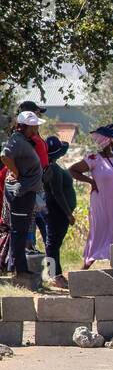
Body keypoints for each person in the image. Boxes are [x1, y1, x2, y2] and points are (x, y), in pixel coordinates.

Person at [67, 124, 113, 269]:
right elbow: (72, 170)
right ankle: (84, 268)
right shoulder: (95, 159)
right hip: (103, 204)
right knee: (100, 233)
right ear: (110, 143)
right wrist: (91, 181)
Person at [1, 111, 45, 288]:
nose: (37, 127)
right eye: (34, 125)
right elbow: (4, 156)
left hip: (27, 192)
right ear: (26, 126)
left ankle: (18, 266)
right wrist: (16, 172)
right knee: (19, 232)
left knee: (21, 230)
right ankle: (20, 269)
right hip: (21, 193)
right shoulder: (16, 140)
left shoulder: (24, 140)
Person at [39, 136, 76, 289]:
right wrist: (68, 213)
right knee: (52, 244)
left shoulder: (53, 166)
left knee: (54, 243)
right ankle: (55, 275)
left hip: (57, 212)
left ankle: (56, 274)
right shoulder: (53, 168)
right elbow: (57, 193)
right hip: (57, 212)